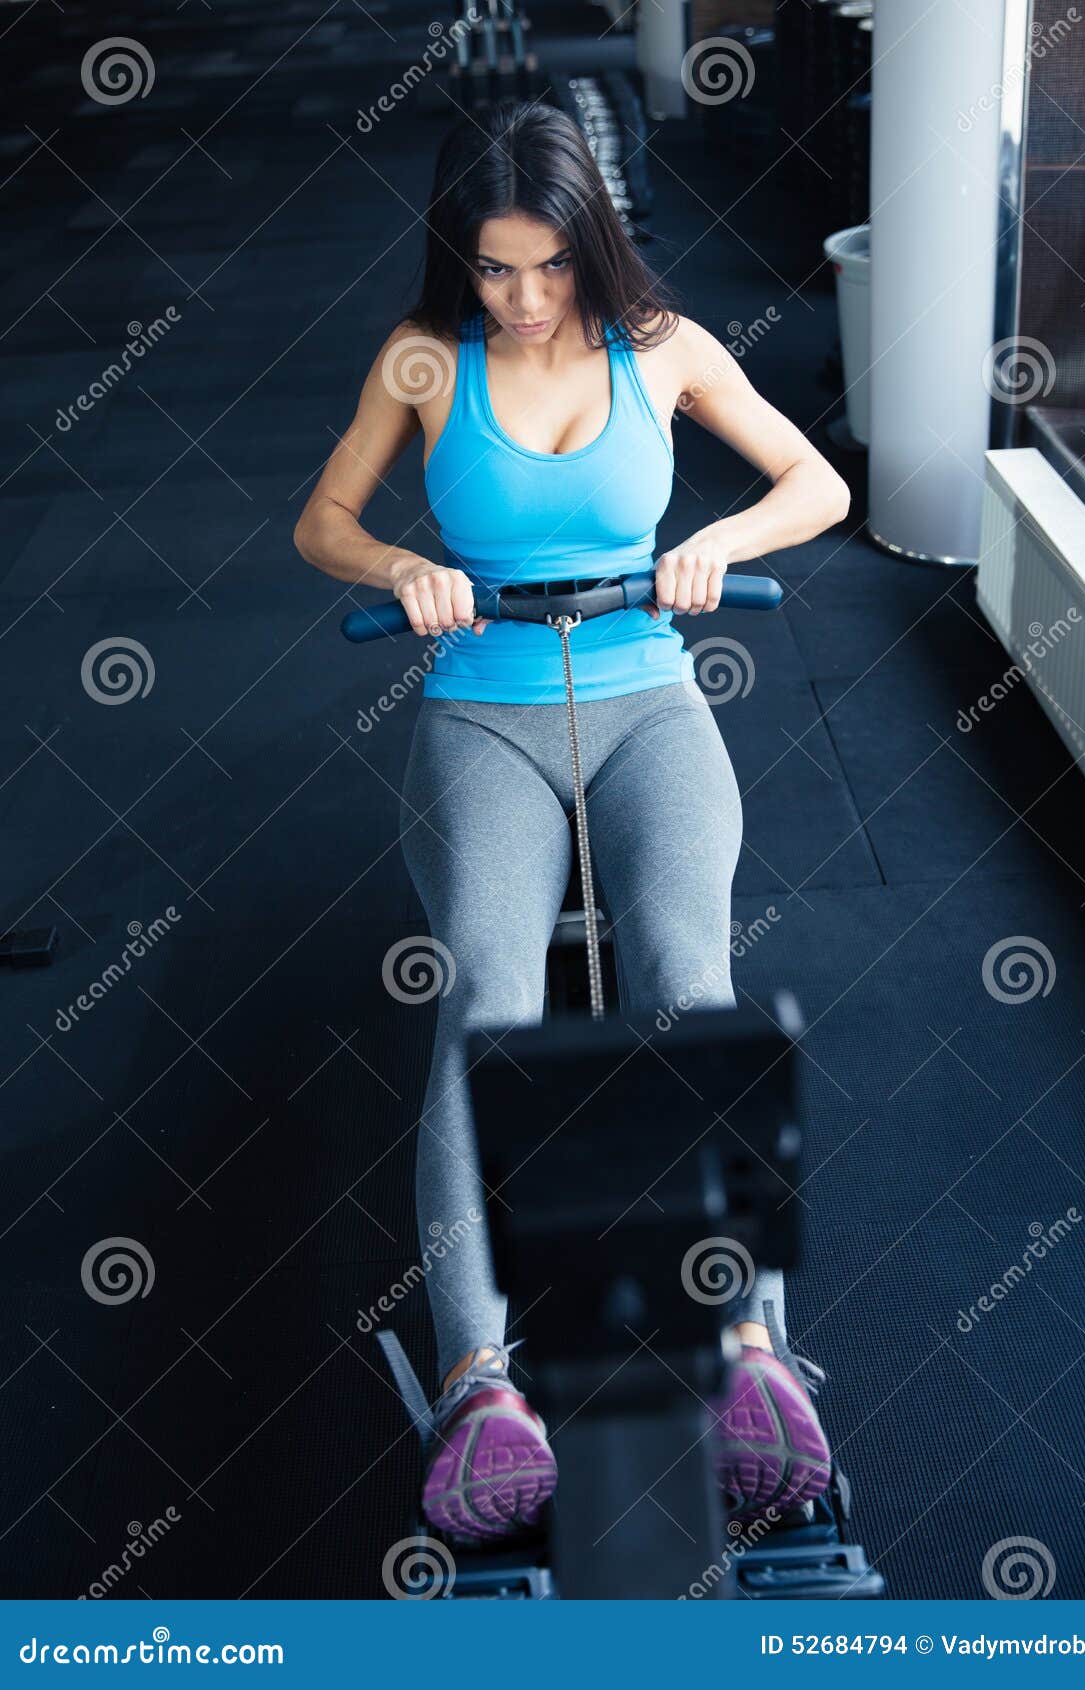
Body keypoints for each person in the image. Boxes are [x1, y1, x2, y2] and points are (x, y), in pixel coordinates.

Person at [295, 99, 850, 1548]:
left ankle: (749, 1347)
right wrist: (400, 565)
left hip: (647, 698)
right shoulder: (424, 359)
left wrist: (720, 539)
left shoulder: (664, 347)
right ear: (459, 258)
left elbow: (819, 482)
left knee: (688, 976)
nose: (525, 297)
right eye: (494, 268)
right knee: (486, 996)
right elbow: (322, 523)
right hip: (482, 712)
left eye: (548, 264)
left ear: (590, 242)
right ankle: (481, 1382)